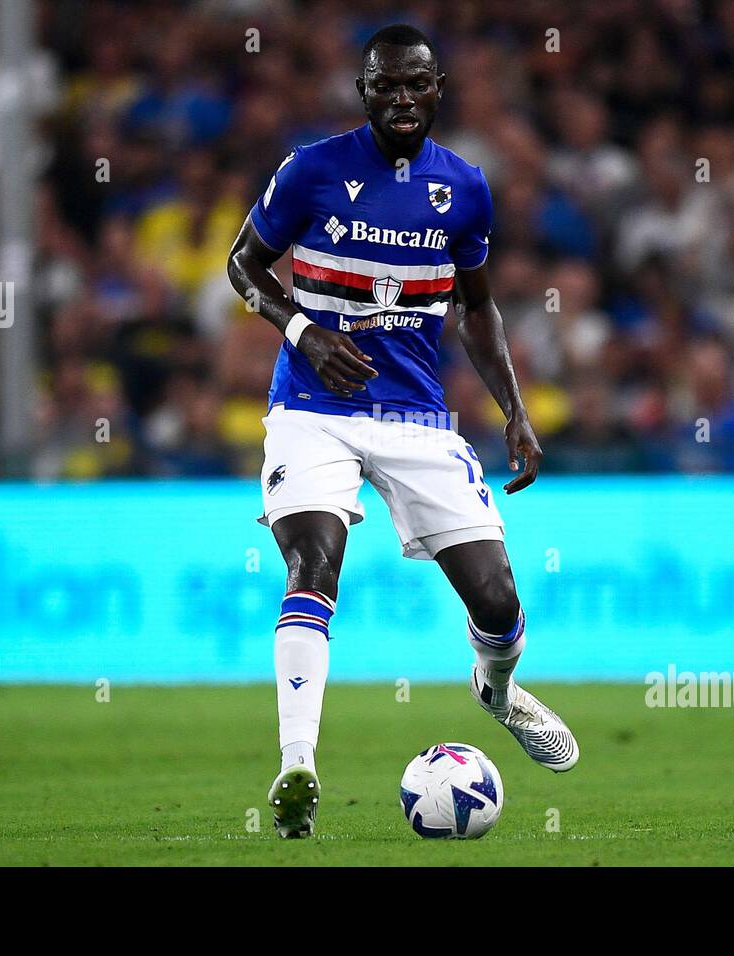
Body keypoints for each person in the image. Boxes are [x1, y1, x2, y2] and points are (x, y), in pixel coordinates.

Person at [227, 24, 578, 839]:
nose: (402, 99)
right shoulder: (311, 170)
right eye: (385, 85)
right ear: (365, 92)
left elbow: (478, 306)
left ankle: (494, 689)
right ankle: (297, 766)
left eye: (416, 84)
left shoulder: (465, 188)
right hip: (312, 410)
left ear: (437, 89)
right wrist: (302, 331)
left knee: (497, 600)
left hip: (416, 415)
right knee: (313, 561)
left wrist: (515, 410)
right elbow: (242, 265)